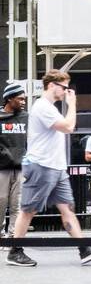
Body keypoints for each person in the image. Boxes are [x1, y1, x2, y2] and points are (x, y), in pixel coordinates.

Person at [6, 71, 91, 267]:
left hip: (56, 167)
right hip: (41, 166)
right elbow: (68, 127)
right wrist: (72, 105)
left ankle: (83, 249)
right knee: (29, 210)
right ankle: (15, 250)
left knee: (67, 208)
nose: (66, 92)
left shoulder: (50, 108)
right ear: (52, 85)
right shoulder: (42, 106)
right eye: (64, 87)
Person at [0, 80, 28, 242]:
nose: (23, 102)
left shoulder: (26, 117)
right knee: (1, 202)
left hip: (20, 167)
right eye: (20, 98)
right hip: (1, 168)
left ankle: (13, 238)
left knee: (17, 204)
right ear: (9, 99)